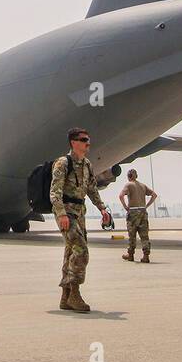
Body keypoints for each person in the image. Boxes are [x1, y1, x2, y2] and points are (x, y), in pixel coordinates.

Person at [50, 128, 111, 313]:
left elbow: (92, 189)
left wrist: (102, 208)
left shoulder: (87, 164)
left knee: (70, 252)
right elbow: (55, 192)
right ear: (73, 142)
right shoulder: (62, 163)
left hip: (80, 212)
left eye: (88, 140)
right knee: (81, 251)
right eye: (84, 140)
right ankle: (75, 293)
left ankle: (65, 296)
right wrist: (61, 214)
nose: (87, 143)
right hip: (67, 212)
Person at [118, 169, 158, 263]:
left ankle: (130, 254)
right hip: (143, 212)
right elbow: (154, 195)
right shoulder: (142, 185)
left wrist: (125, 207)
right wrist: (146, 206)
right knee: (144, 235)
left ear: (129, 176)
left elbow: (121, 196)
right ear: (136, 175)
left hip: (133, 212)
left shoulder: (129, 185)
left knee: (132, 235)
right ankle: (146, 256)